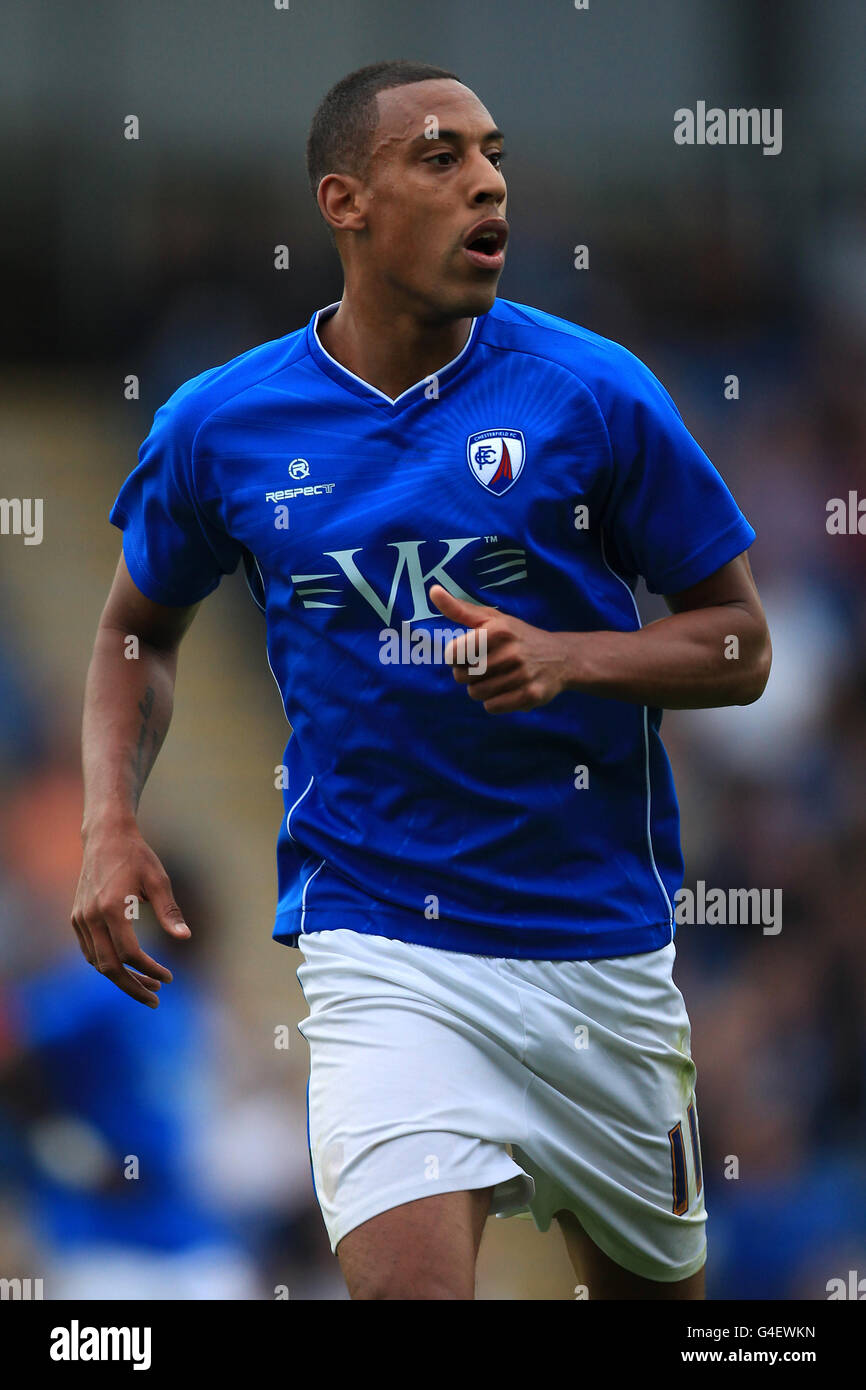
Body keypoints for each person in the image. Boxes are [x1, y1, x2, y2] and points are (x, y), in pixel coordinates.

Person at [72, 60, 772, 1300]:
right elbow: (138, 630)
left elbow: (738, 644)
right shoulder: (220, 423)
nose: (486, 181)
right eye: (440, 158)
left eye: (494, 155)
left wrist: (571, 658)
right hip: (380, 941)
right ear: (345, 200)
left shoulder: (593, 392)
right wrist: (110, 820)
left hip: (596, 955)